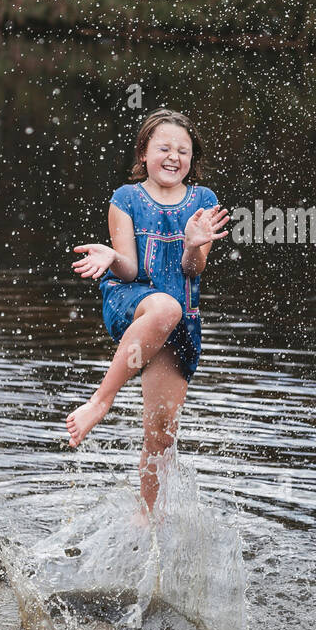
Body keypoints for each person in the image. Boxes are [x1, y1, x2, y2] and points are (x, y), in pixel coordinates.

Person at [65, 108, 229, 513]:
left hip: (180, 321)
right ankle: (100, 401)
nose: (173, 157)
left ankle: (146, 525)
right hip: (134, 301)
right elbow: (131, 268)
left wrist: (193, 243)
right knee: (163, 306)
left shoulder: (204, 201)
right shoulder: (125, 198)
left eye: (183, 150)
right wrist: (109, 255)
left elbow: (194, 268)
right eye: (164, 148)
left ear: (192, 160)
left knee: (161, 436)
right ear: (143, 153)